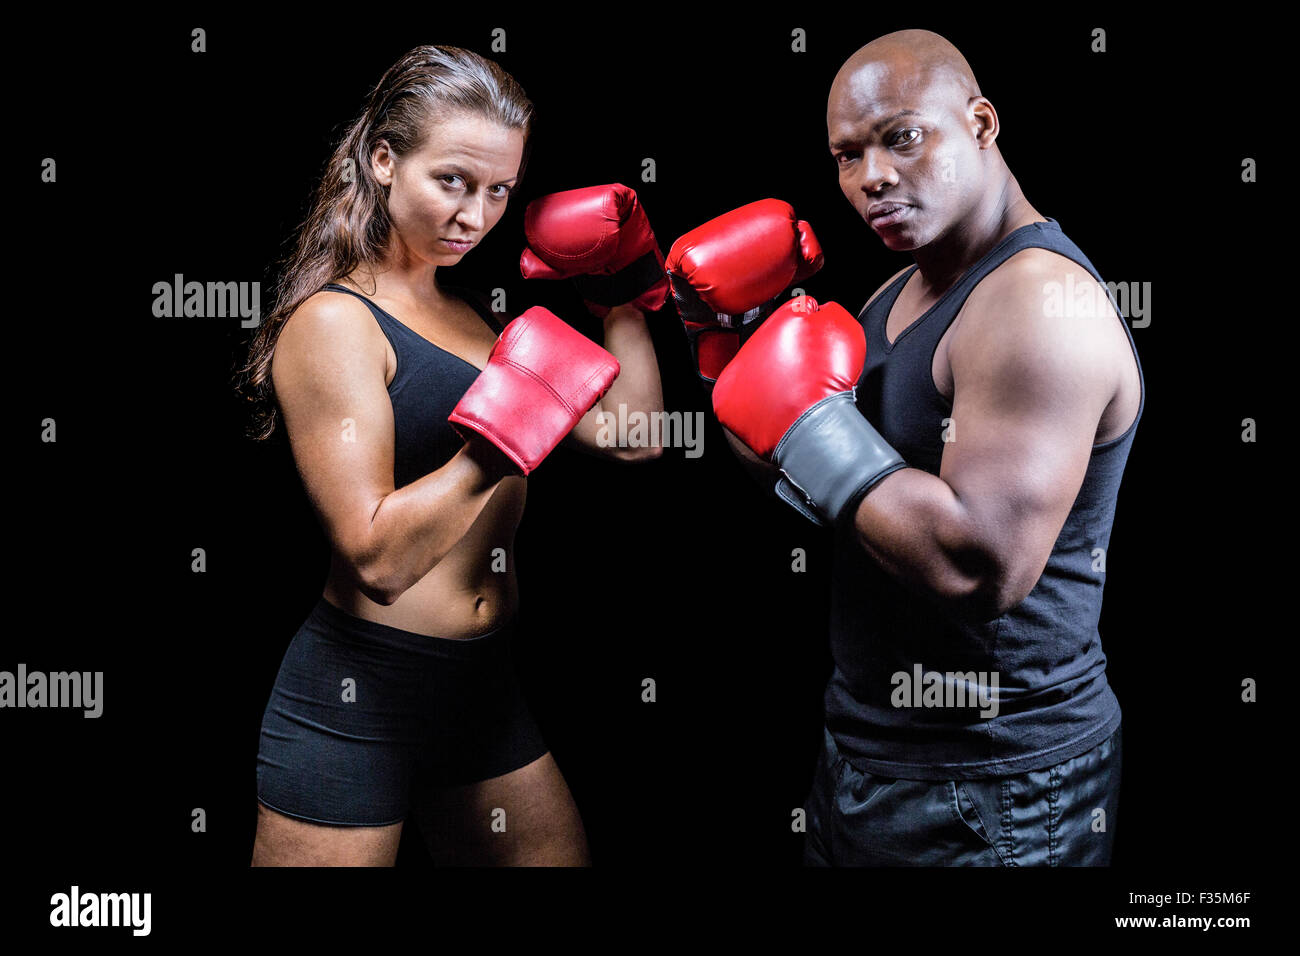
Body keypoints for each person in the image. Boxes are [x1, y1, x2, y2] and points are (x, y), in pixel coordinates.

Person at [688, 29, 1143, 865]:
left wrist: (805, 423)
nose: (872, 179)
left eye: (901, 136)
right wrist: (728, 357)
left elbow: (980, 567)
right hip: (867, 747)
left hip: (998, 780)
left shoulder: (1036, 303)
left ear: (981, 122)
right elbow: (826, 490)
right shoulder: (902, 284)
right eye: (846, 155)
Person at [237, 45, 665, 866]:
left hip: (481, 691)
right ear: (385, 160)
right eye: (454, 182)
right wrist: (505, 437)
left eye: (500, 189)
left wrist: (620, 298)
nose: (476, 215)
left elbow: (636, 437)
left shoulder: (479, 318)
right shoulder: (335, 325)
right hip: (358, 694)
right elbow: (376, 558)